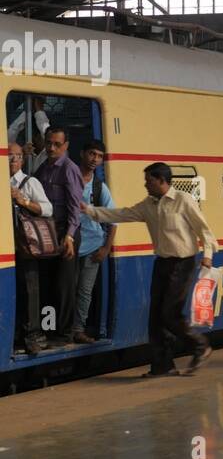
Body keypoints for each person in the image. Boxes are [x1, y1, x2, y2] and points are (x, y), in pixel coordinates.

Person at [82, 162, 217, 377]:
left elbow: (204, 230)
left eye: (149, 181)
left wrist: (207, 257)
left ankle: (200, 346)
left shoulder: (183, 200)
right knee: (155, 317)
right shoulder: (149, 205)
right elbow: (122, 214)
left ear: (162, 181)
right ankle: (162, 366)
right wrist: (89, 211)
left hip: (183, 262)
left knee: (170, 312)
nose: (146, 185)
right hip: (162, 263)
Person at [35, 126, 83, 344]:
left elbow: (75, 208)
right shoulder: (43, 168)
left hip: (66, 232)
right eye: (48, 143)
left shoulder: (69, 169)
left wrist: (70, 237)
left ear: (66, 146)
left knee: (64, 284)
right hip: (47, 231)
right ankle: (48, 329)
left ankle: (64, 333)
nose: (51, 148)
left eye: (56, 144)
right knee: (45, 282)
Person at [9, 143, 52, 355]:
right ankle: (15, 334)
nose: (11, 161)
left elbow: (47, 208)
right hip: (7, 247)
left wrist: (22, 200)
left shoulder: (29, 182)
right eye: (8, 156)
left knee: (30, 289)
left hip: (26, 245)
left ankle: (33, 335)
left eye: (15, 156)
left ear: (22, 160)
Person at [72, 140, 117, 344]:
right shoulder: (69, 178)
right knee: (65, 289)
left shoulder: (100, 187)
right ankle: (61, 329)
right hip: (68, 246)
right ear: (82, 154)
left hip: (92, 248)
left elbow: (113, 219)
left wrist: (106, 248)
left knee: (84, 292)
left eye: (99, 156)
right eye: (92, 154)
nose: (95, 159)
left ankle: (78, 330)